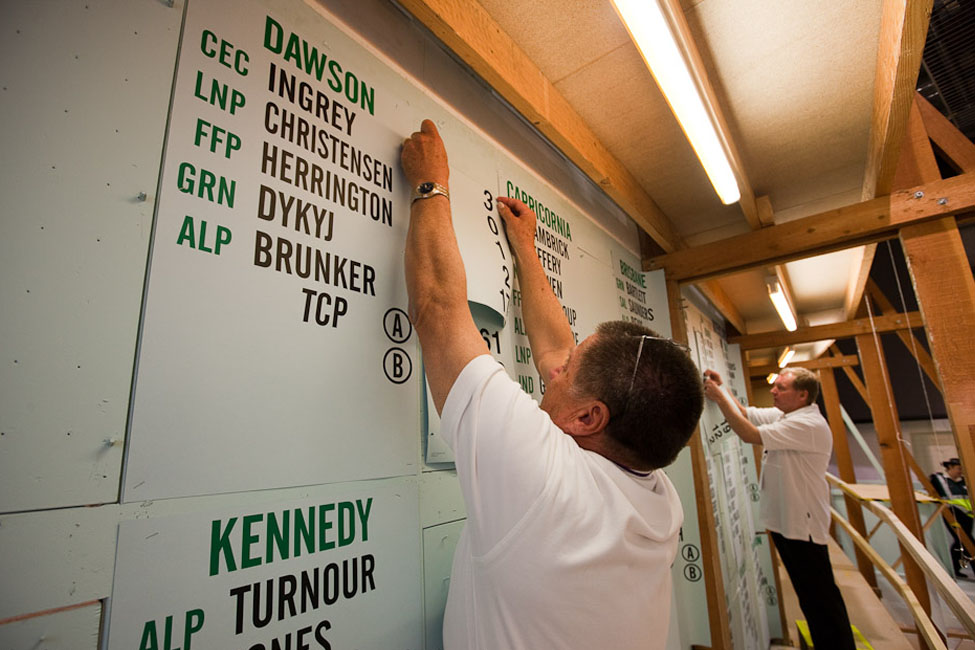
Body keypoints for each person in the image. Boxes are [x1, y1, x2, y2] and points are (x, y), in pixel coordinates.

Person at [401, 119, 704, 649]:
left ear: (588, 419)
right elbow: (560, 352)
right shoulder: (657, 498)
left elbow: (438, 309)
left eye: (567, 374)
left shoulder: (545, 481)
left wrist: (432, 186)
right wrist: (527, 249)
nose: (556, 369)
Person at [703, 367, 856, 650]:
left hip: (802, 526)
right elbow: (746, 413)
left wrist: (718, 399)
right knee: (811, 598)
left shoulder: (808, 424)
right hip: (788, 524)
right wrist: (722, 388)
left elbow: (749, 433)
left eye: (781, 387)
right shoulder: (788, 416)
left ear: (802, 395)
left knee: (821, 600)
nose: (773, 390)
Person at [930, 458, 974, 578]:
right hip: (953, 514)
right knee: (968, 543)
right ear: (950, 468)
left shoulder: (964, 482)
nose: (961, 471)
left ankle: (954, 569)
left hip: (968, 516)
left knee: (960, 543)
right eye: (958, 468)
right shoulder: (940, 480)